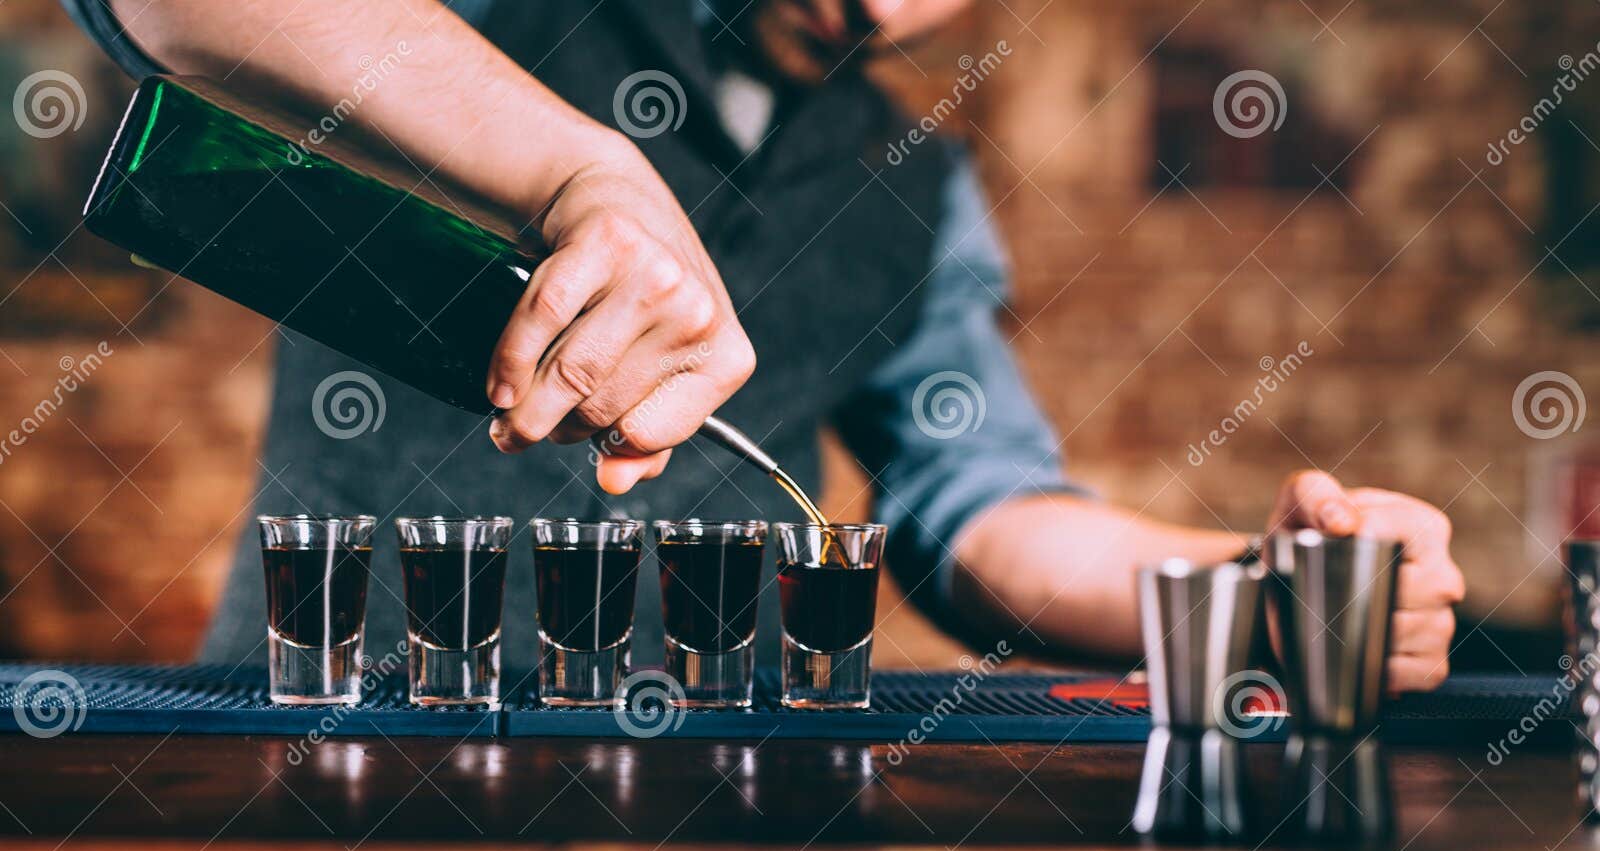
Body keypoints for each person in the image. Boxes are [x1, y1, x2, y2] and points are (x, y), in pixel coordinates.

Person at [63, 0, 1463, 686]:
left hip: (700, 840)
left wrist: (1252, 600)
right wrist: (576, 171)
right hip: (322, 772)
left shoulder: (918, 189)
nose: (871, 7)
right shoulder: (480, 23)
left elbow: (980, 508)